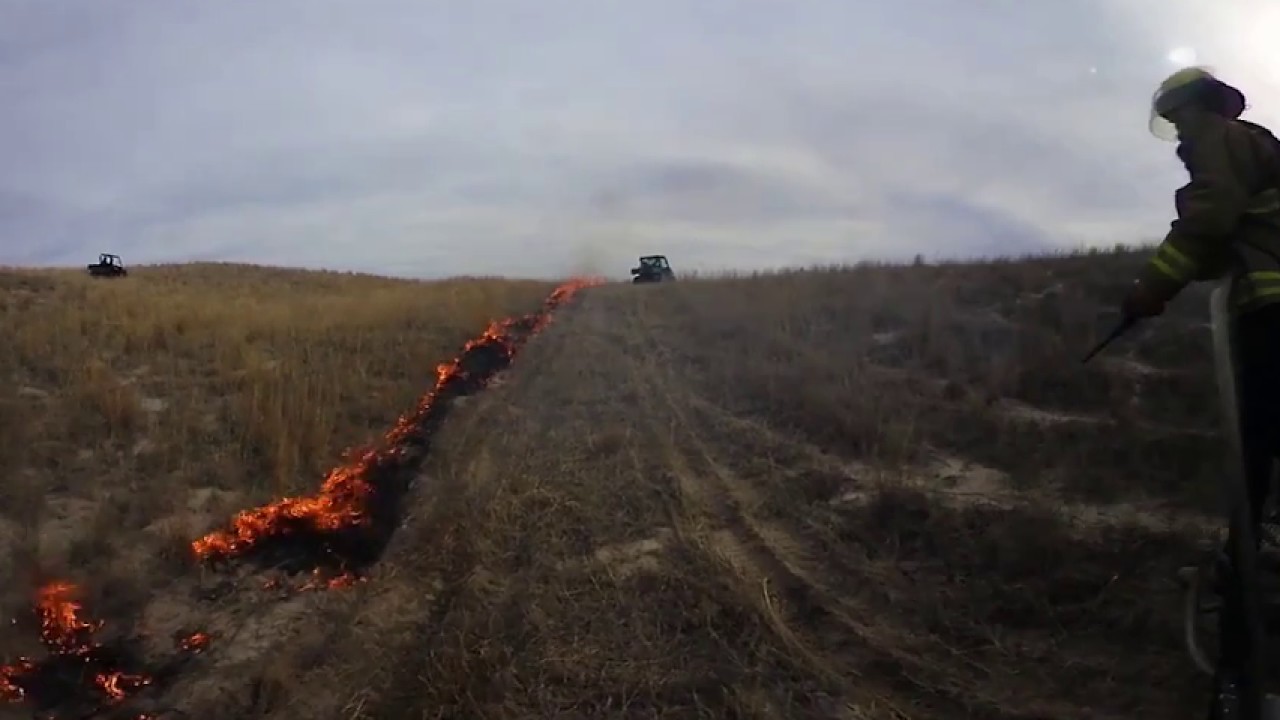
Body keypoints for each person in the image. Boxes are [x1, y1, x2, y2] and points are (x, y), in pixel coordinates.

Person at [1124, 66, 1280, 719]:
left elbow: (1211, 218)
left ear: (1196, 108)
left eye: (1179, 120)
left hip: (1271, 325)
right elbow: (1230, 238)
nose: (1181, 140)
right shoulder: (1258, 146)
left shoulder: (1221, 136)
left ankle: (1242, 676)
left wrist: (1151, 289)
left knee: (1250, 493)